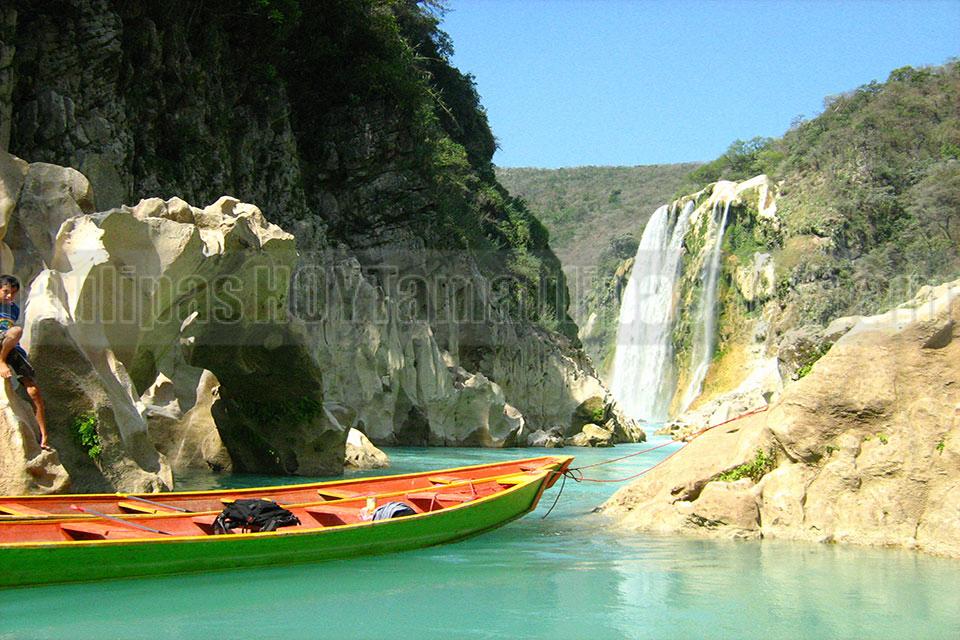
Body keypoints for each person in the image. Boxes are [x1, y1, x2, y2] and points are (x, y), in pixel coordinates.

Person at [0, 274, 51, 451]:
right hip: (5, 342)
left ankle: (43, 435)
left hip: (9, 345)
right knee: (16, 331)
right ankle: (1, 361)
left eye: (12, 293)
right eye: (6, 292)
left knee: (34, 390)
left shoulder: (13, 309)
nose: (9, 297)